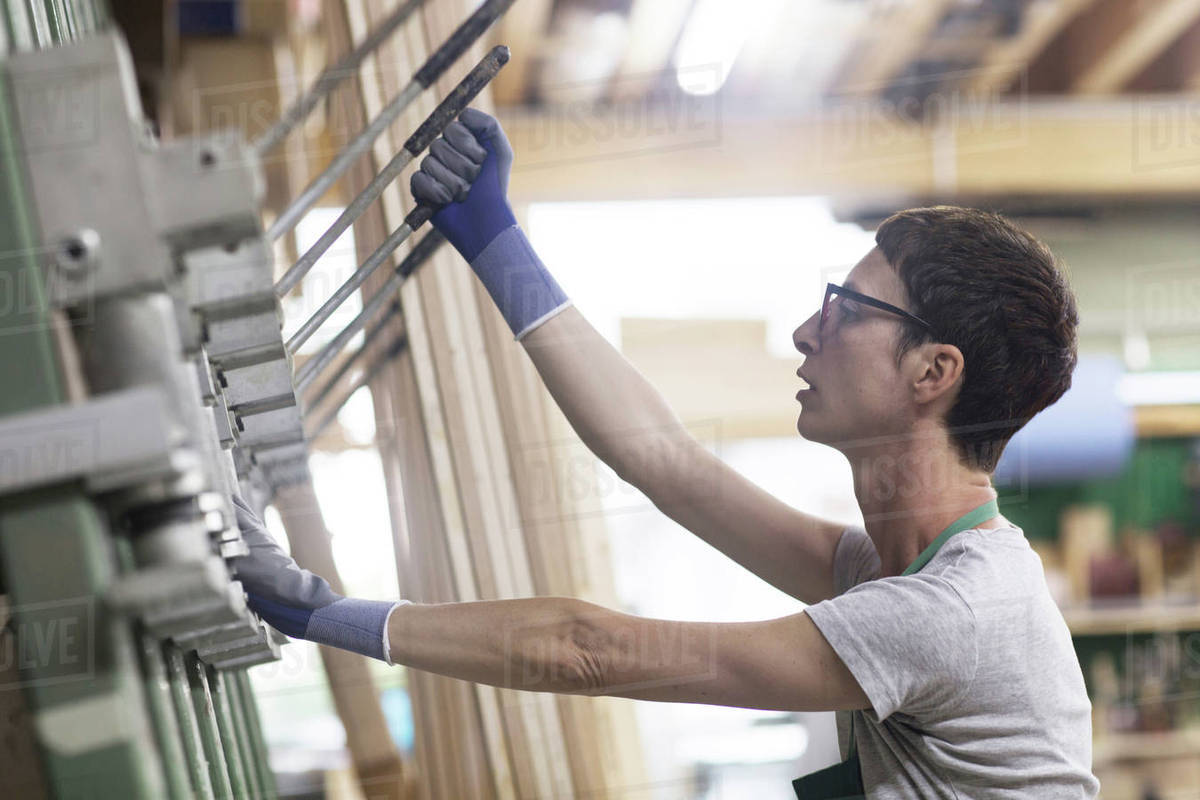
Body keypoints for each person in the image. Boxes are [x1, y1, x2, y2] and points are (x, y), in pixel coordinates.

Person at [234, 108, 1100, 798]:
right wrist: (498, 242)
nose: (807, 332)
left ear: (932, 372)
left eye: (847, 310)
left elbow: (591, 650)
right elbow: (665, 463)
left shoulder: (949, 615)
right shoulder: (896, 569)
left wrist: (327, 615)